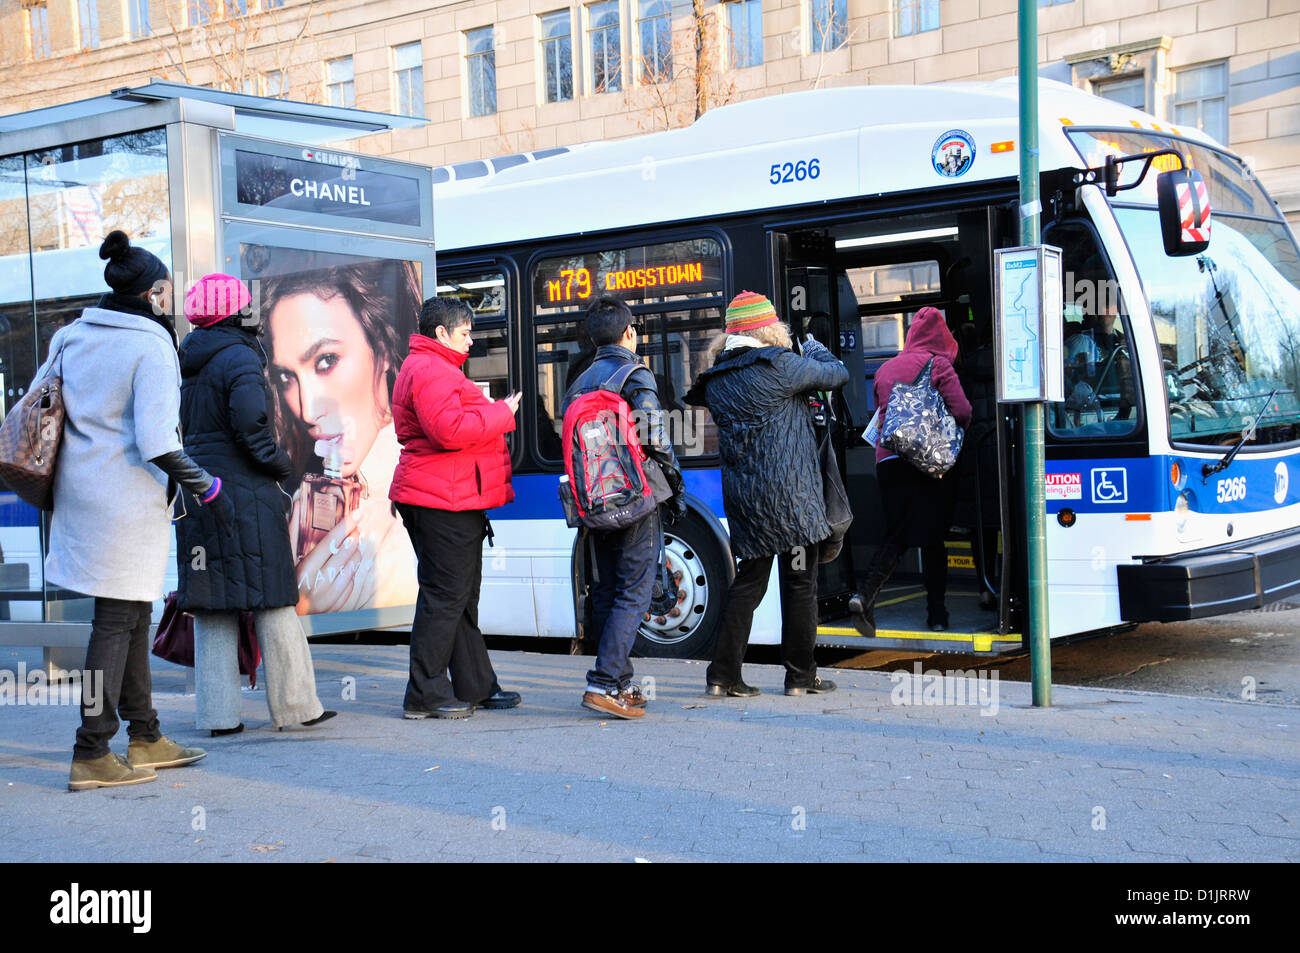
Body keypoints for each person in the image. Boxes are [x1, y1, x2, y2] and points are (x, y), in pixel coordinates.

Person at [47, 231, 212, 790]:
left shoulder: (71, 336)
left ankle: (145, 736)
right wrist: (205, 485)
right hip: (126, 499)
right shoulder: (149, 344)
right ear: (153, 294)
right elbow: (158, 438)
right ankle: (91, 750)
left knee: (133, 616)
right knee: (115, 623)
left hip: (79, 494)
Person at [176, 273, 337, 736]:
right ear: (234, 313)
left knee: (213, 606)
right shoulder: (239, 358)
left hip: (200, 491)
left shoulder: (189, 360)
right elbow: (251, 424)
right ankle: (296, 707)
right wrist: (280, 465)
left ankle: (218, 716)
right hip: (245, 490)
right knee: (273, 598)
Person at [684, 291, 849, 697]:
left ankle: (723, 675)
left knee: (747, 586)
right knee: (799, 587)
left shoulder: (716, 380)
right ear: (768, 328)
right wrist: (812, 346)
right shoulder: (782, 365)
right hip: (792, 505)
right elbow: (837, 373)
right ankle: (799, 676)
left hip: (748, 504)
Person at [389, 297, 522, 719]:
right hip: (441, 500)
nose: (471, 340)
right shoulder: (431, 370)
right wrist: (502, 413)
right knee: (445, 597)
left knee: (458, 598)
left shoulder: (435, 368)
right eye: (464, 332)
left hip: (450, 496)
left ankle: (477, 686)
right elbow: (448, 431)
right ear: (440, 333)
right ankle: (425, 694)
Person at [263, 261, 421, 615]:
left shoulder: (399, 518)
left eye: (325, 360)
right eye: (287, 377)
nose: (305, 410)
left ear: (382, 348)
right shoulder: (303, 492)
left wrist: (298, 603)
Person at [563, 294, 686, 719]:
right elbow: (654, 433)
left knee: (610, 590)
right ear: (630, 333)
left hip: (594, 502)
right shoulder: (634, 373)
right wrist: (674, 482)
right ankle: (603, 683)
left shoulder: (577, 383)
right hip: (636, 498)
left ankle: (620, 682)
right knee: (635, 591)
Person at [850, 306, 972, 634]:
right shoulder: (939, 364)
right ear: (941, 337)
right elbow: (962, 409)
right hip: (927, 461)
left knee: (898, 534)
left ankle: (865, 596)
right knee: (933, 539)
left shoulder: (886, 368)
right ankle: (937, 614)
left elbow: (881, 413)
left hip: (889, 462)